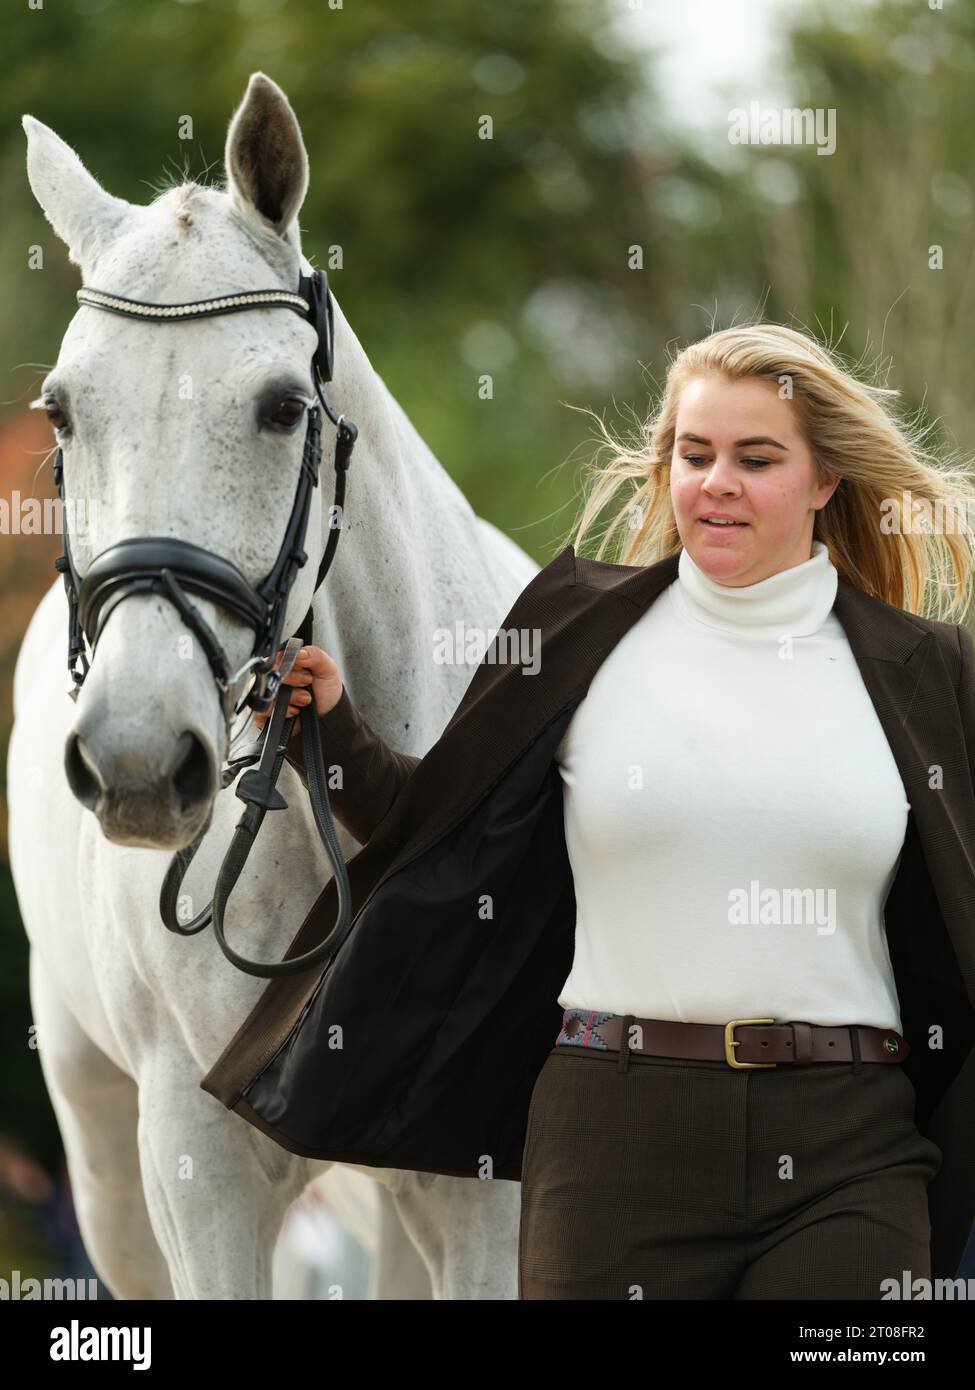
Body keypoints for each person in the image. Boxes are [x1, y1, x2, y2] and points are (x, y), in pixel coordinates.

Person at [233, 322, 975, 1298]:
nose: (717, 482)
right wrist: (328, 730)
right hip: (613, 1147)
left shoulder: (930, 672)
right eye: (694, 455)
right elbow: (437, 829)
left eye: (756, 459)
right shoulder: (575, 628)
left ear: (824, 479)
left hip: (850, 1151)